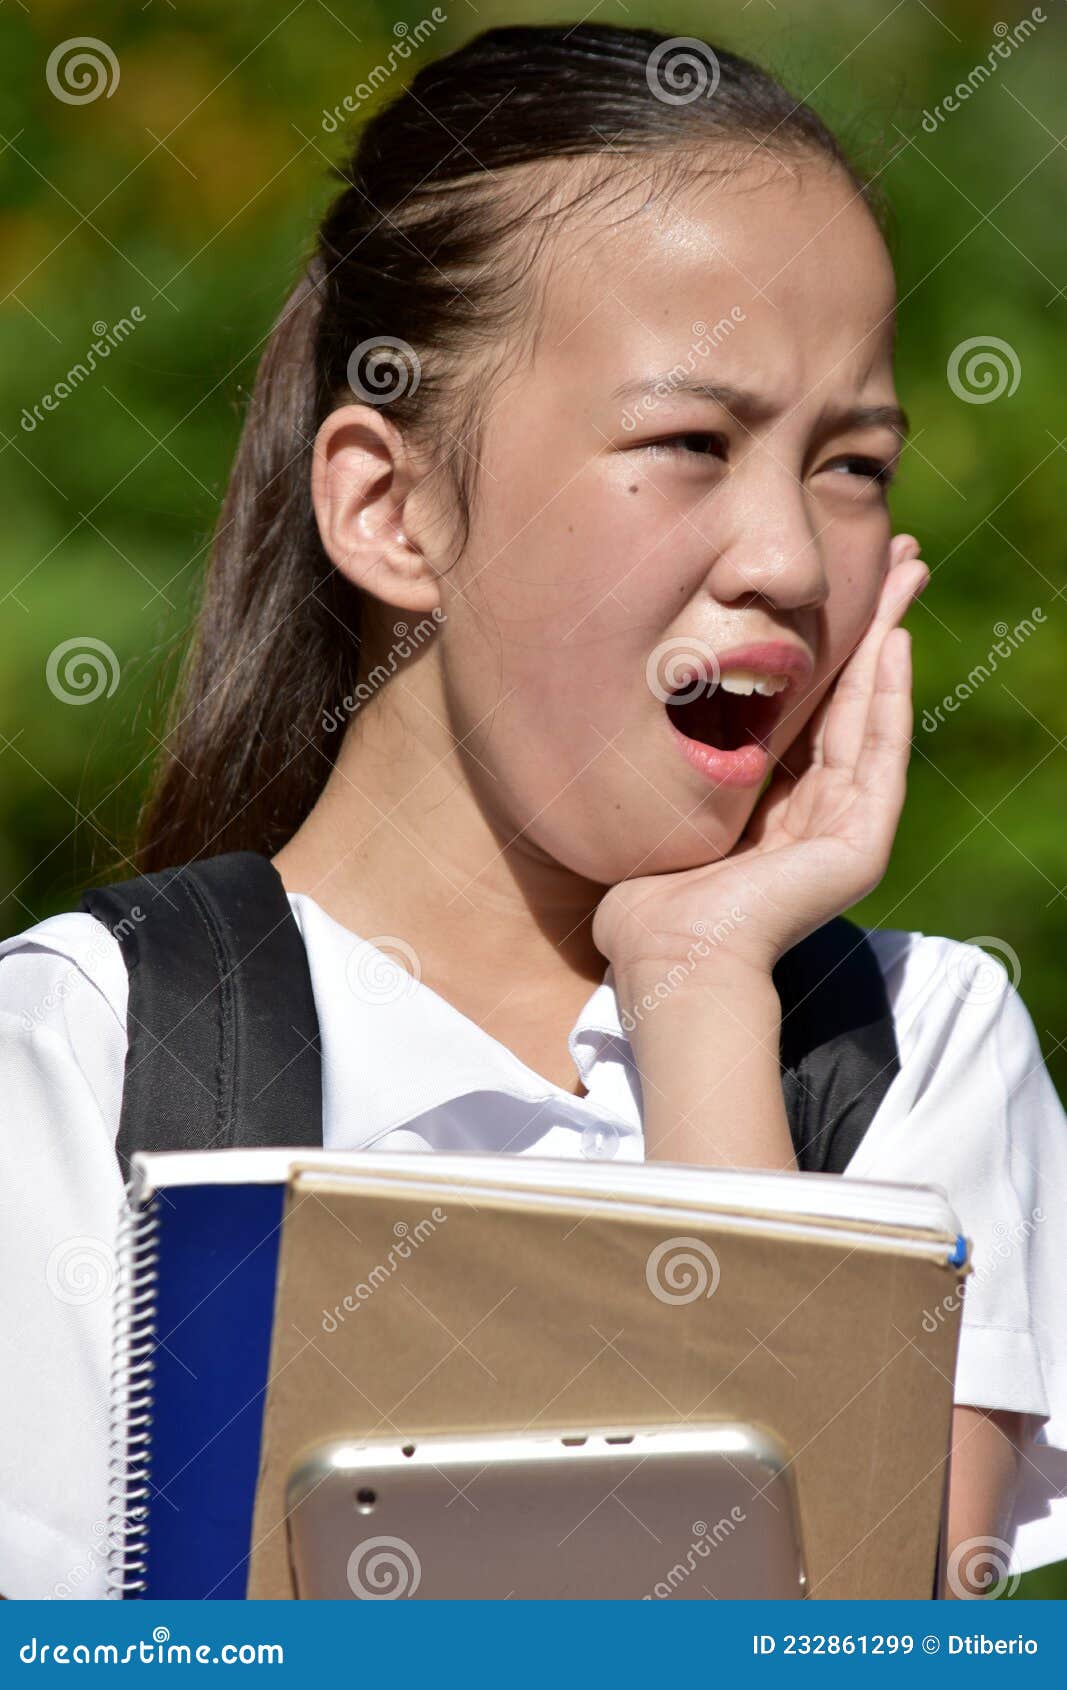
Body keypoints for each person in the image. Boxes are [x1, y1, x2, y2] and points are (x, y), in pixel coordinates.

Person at [1, 22, 1064, 1601]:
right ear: (391, 507)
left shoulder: (919, 1046)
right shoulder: (88, 1055)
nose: (785, 552)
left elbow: (845, 1635)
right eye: (691, 443)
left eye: (851, 463)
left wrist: (703, 991)